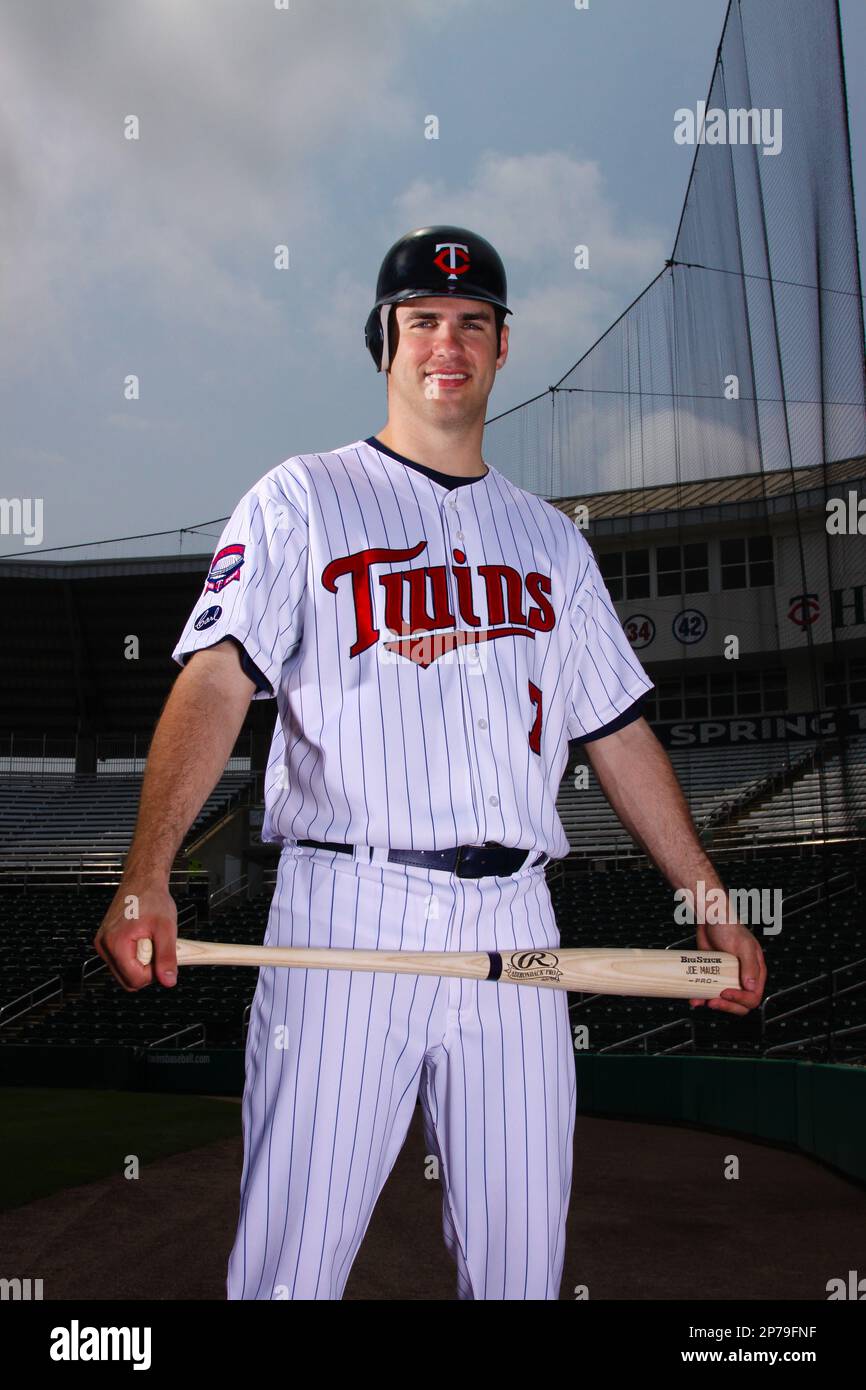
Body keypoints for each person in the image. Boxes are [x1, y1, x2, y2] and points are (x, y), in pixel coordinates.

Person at [94, 225, 766, 1300]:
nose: (444, 342)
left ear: (502, 346)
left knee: (518, 1270)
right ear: (383, 344)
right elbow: (218, 678)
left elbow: (617, 729)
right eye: (420, 321)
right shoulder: (300, 497)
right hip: (346, 902)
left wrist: (707, 895)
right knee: (289, 1268)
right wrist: (146, 873)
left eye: (470, 322)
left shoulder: (550, 540)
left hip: (516, 921)